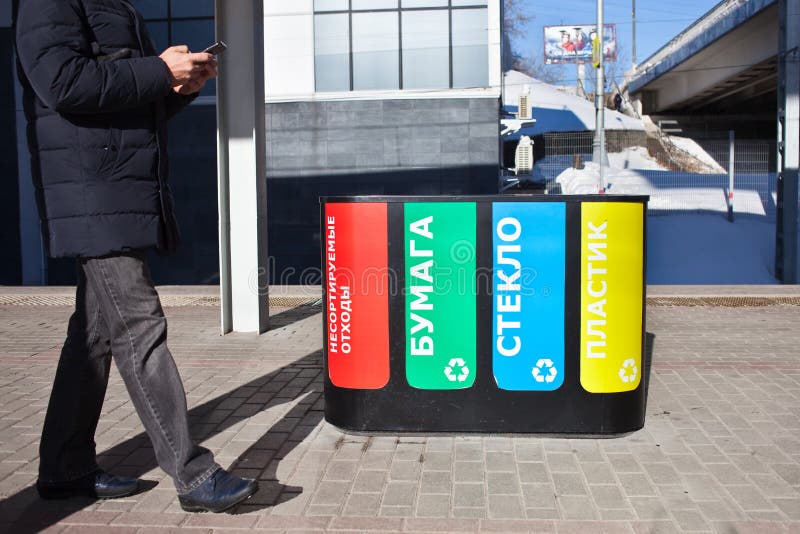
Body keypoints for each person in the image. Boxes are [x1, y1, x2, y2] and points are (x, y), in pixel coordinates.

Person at [15, 0, 258, 513]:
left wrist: (174, 89)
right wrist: (156, 69)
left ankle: (64, 468)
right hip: (90, 192)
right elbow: (60, 82)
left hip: (113, 185)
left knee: (95, 337)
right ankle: (192, 475)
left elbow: (121, 96)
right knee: (139, 326)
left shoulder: (116, 4)